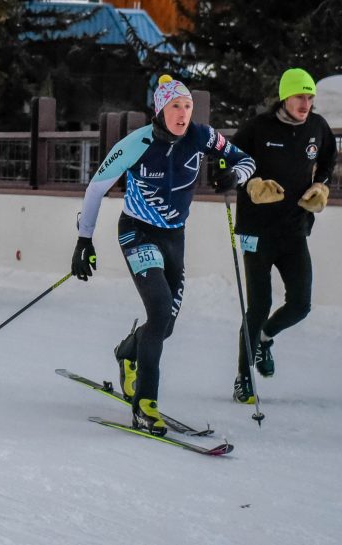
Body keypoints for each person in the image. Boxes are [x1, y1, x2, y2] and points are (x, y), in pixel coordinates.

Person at [69, 75, 256, 435]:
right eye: (175, 106)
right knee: (158, 309)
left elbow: (246, 160)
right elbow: (96, 188)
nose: (183, 113)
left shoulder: (203, 136)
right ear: (160, 109)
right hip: (137, 232)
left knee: (165, 325)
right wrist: (84, 240)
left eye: (187, 106)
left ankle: (127, 352)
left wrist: (235, 176)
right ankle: (144, 405)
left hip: (174, 238)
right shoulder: (137, 143)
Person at [229, 67, 336, 403]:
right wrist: (251, 183)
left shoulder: (318, 127)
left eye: (310, 97)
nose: (306, 103)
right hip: (257, 231)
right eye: (299, 96)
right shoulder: (258, 127)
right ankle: (243, 379)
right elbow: (229, 162)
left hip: (294, 229)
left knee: (301, 304)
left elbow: (330, 159)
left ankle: (264, 338)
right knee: (259, 305)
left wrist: (321, 185)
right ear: (285, 97)